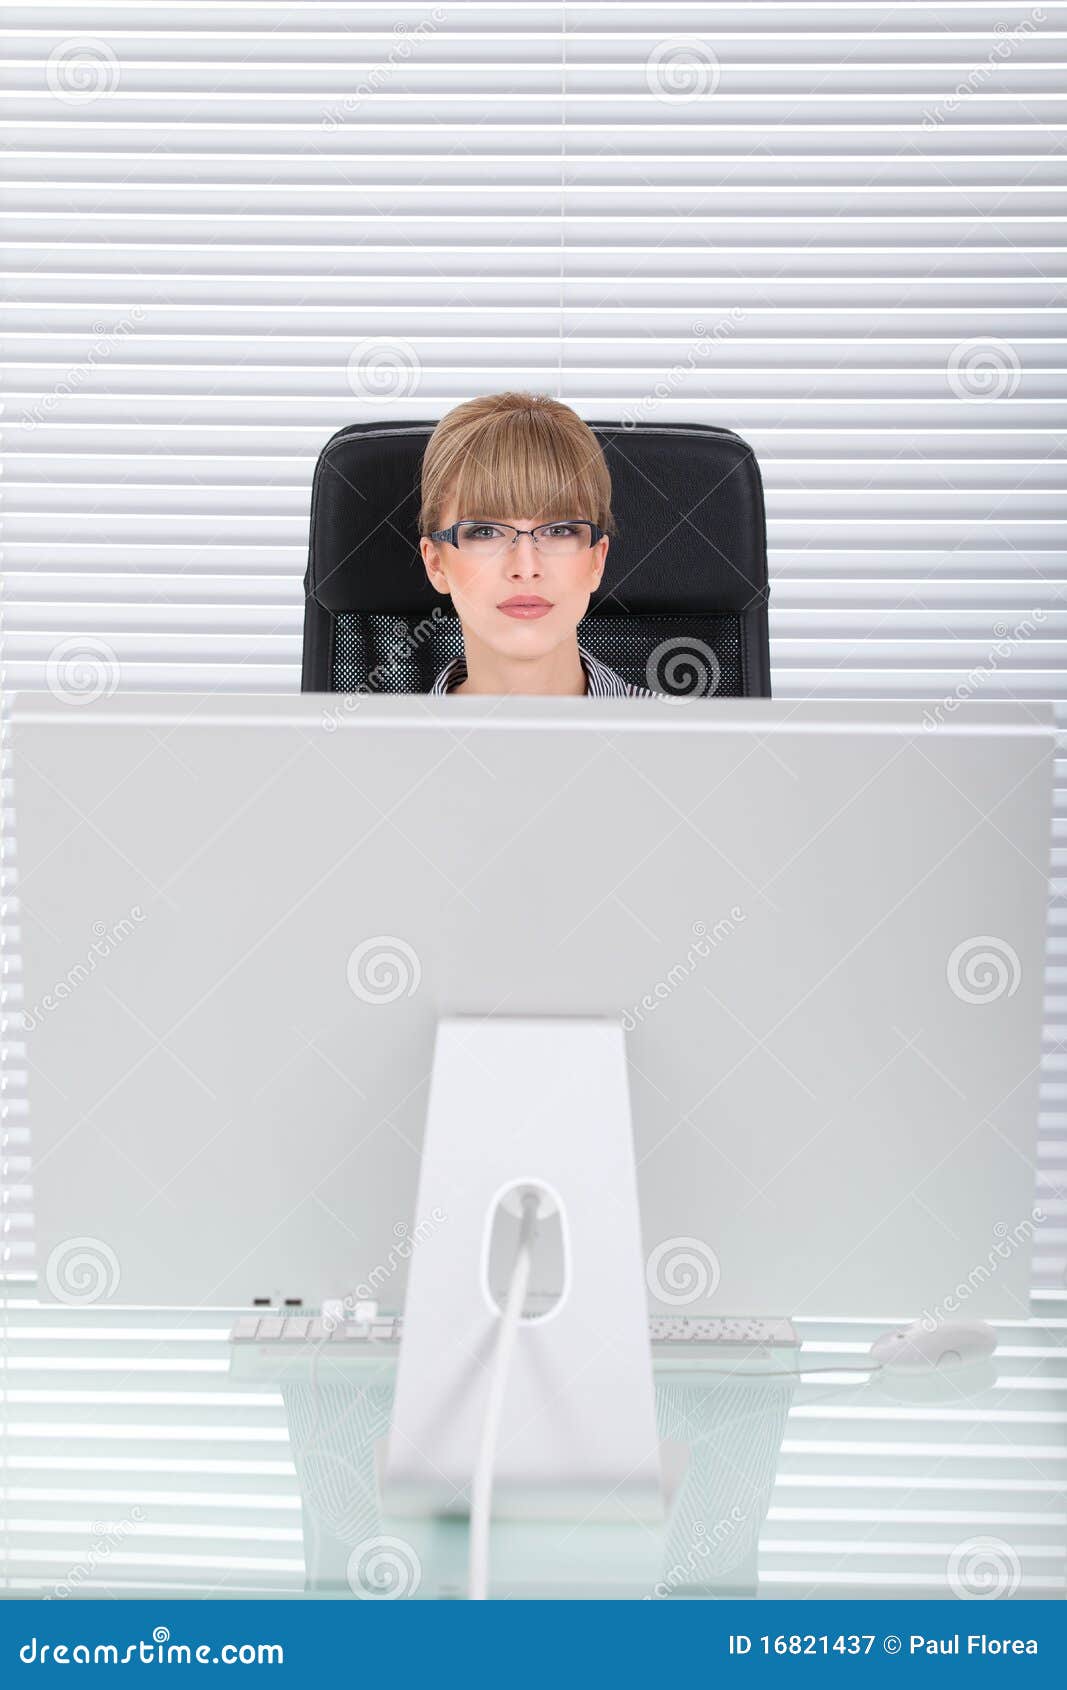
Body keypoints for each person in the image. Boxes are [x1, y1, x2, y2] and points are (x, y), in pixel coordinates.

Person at [419, 391, 658, 697]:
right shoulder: (371, 743)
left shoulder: (687, 742)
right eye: (485, 532)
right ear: (436, 563)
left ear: (597, 560)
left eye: (558, 531)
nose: (526, 568)